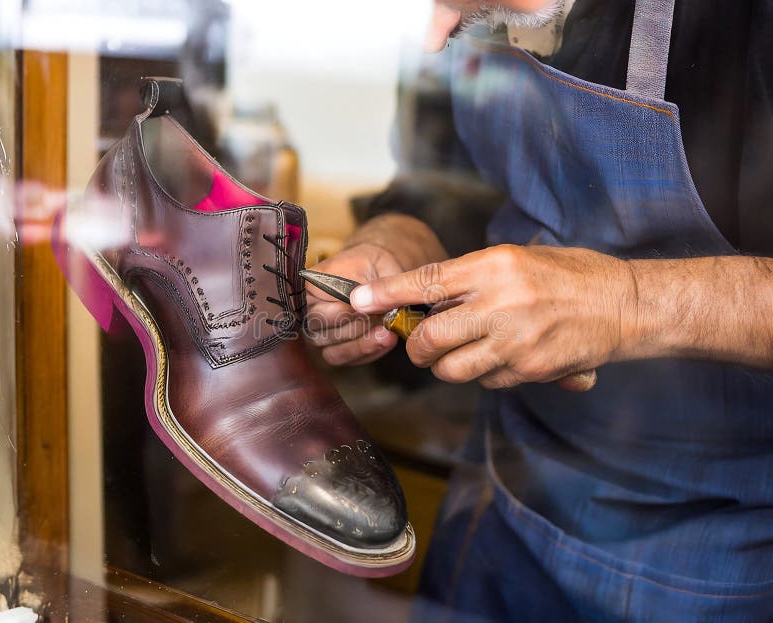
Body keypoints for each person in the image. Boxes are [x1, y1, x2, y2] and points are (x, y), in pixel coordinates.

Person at [305, 1, 773, 620]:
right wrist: (400, 236)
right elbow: (442, 179)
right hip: (504, 497)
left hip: (730, 555)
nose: (429, 35)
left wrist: (626, 303)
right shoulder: (443, 23)